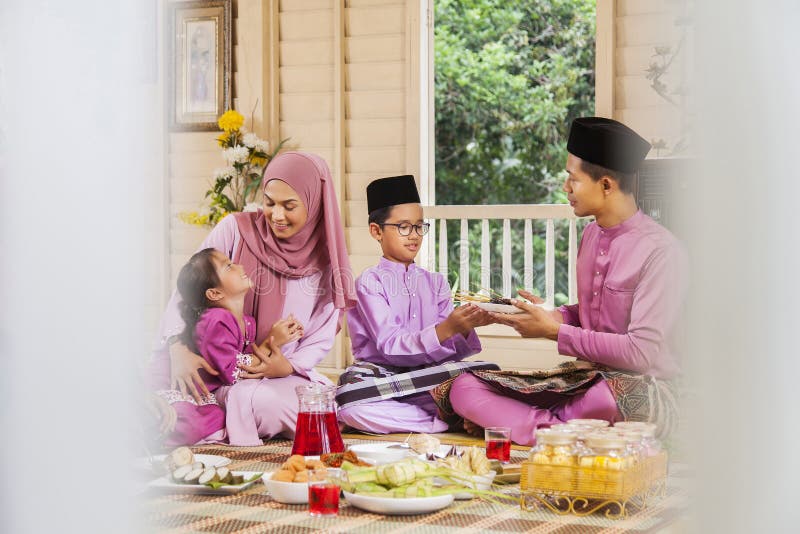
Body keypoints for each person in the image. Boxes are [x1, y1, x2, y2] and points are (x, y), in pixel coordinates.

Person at [444, 117, 688, 445]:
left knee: (604, 398)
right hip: (586, 378)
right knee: (464, 386)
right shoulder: (590, 234)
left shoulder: (662, 251)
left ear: (605, 184)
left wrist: (554, 331)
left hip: (643, 388)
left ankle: (530, 426)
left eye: (572, 179)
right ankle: (559, 430)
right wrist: (543, 315)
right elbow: (589, 314)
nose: (566, 189)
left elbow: (640, 353)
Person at [152, 151, 355, 446]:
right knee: (240, 398)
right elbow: (186, 292)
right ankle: (210, 414)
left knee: (304, 405)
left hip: (277, 377)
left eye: (290, 206)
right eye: (269, 202)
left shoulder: (326, 262)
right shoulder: (235, 230)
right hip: (211, 374)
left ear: (313, 203)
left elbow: (320, 337)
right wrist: (176, 348)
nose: (277, 215)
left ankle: (216, 417)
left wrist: (285, 367)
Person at [336, 175, 497, 434]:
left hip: (428, 379)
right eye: (403, 227)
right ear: (376, 231)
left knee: (482, 374)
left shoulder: (435, 282)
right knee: (351, 405)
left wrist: (465, 326)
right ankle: (445, 419)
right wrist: (447, 327)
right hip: (380, 377)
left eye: (420, 226)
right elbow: (390, 346)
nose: (414, 236)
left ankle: (441, 413)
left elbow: (454, 353)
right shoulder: (369, 281)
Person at [149, 248, 303, 446]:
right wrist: (273, 341)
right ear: (214, 292)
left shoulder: (246, 322)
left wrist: (272, 341)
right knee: (186, 423)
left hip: (202, 396)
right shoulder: (215, 320)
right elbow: (233, 372)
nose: (239, 266)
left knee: (217, 419)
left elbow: (236, 362)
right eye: (229, 266)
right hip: (170, 388)